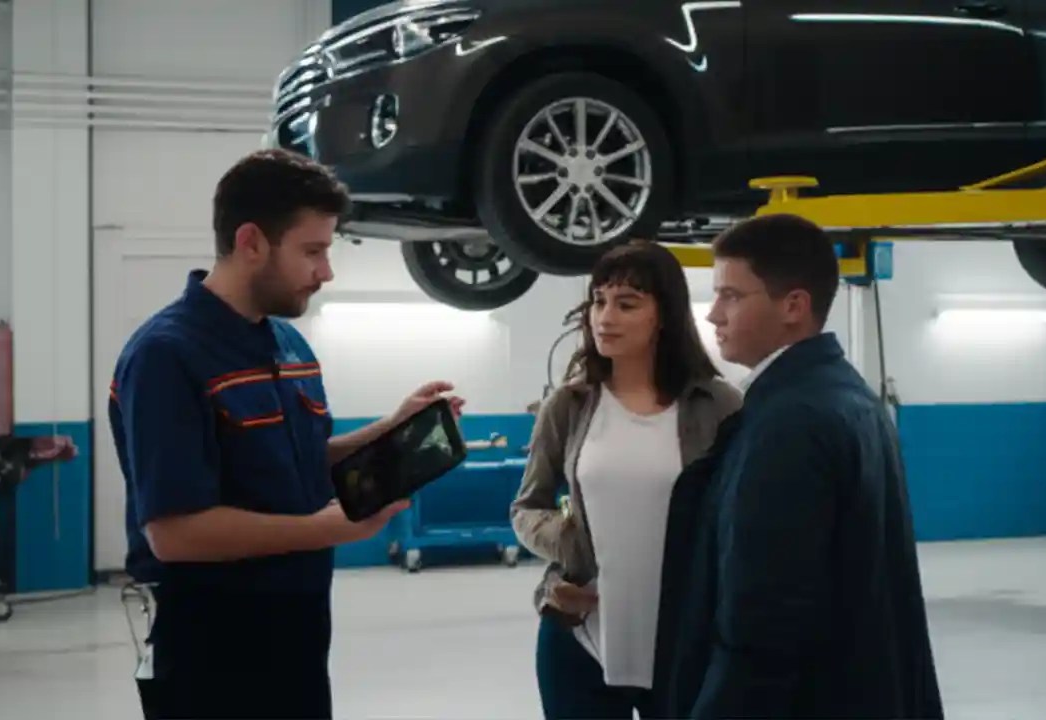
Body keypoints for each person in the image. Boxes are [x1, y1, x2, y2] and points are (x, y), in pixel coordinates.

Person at [107, 148, 464, 720]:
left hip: (297, 634)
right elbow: (175, 533)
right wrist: (323, 528)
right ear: (251, 242)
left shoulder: (289, 345)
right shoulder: (166, 356)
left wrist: (388, 429)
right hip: (212, 651)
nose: (326, 271)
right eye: (313, 251)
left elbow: (296, 463)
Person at [651, 213, 944, 719]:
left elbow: (762, 618)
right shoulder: (850, 399)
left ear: (794, 306)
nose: (713, 315)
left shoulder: (787, 422)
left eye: (732, 296)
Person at [510, 240, 742, 720]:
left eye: (626, 304)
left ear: (664, 316)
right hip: (580, 635)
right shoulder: (569, 406)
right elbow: (526, 507)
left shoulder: (718, 406)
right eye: (598, 301)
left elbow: (737, 516)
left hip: (682, 640)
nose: (604, 317)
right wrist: (567, 542)